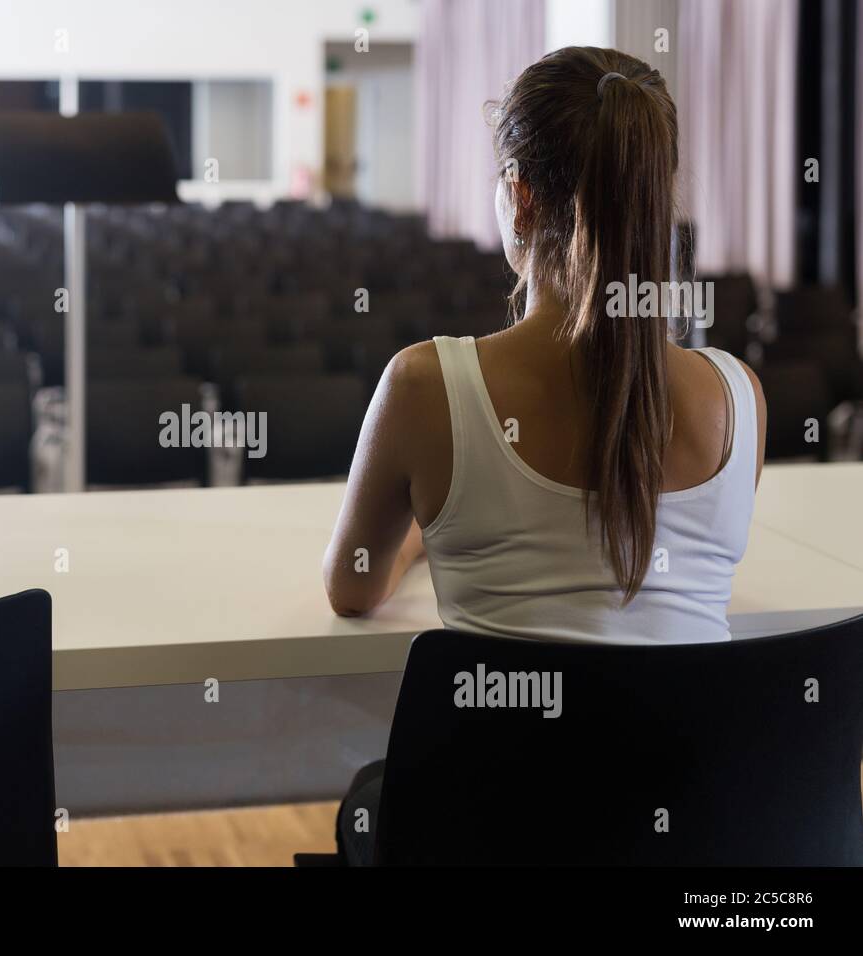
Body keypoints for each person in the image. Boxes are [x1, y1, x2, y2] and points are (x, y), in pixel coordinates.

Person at [322, 47, 767, 864]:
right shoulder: (739, 398)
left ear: (519, 200)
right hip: (696, 856)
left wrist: (429, 530)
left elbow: (352, 588)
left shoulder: (426, 385)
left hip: (495, 841)